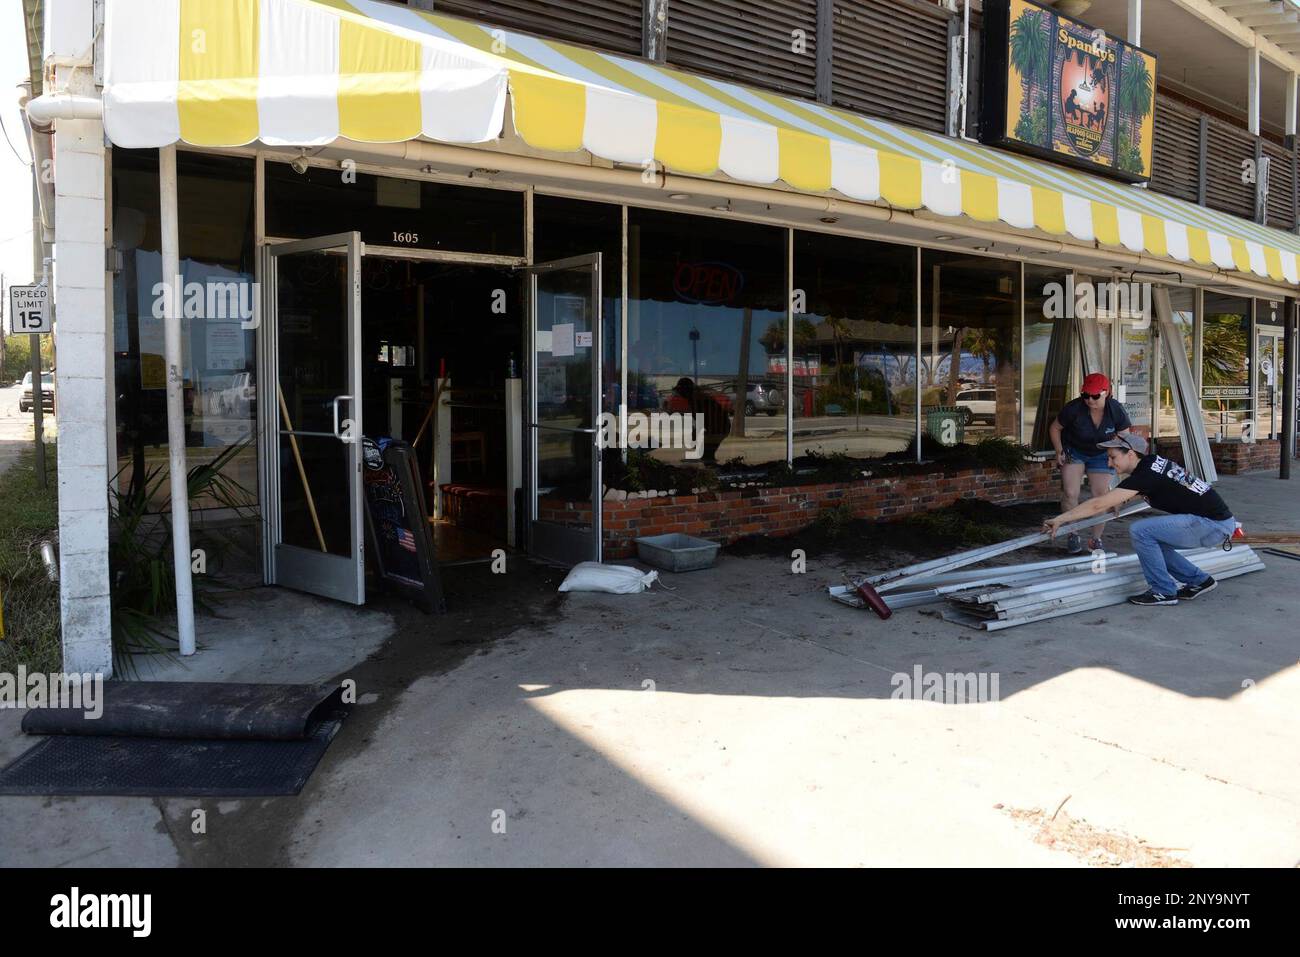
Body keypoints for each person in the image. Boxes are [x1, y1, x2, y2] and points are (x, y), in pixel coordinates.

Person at [1042, 433, 1237, 606]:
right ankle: (1200, 581)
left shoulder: (1145, 474)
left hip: (1212, 526)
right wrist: (1123, 496)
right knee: (1154, 539)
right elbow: (1159, 486)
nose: (1109, 464)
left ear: (1131, 454)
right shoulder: (1152, 463)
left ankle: (1163, 591)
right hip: (1217, 524)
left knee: (1141, 530)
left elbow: (1097, 505)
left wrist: (1061, 518)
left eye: (1112, 457)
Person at [1049, 372, 1131, 555]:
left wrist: (1115, 455)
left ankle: (1096, 538)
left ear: (1106, 393)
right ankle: (1072, 533)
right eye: (1086, 395)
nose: (1090, 400)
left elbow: (1125, 435)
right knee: (1071, 492)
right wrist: (1058, 450)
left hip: (1102, 453)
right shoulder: (1073, 408)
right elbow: (1055, 428)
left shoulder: (1115, 409)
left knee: (1100, 494)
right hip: (1075, 450)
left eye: (1095, 396)